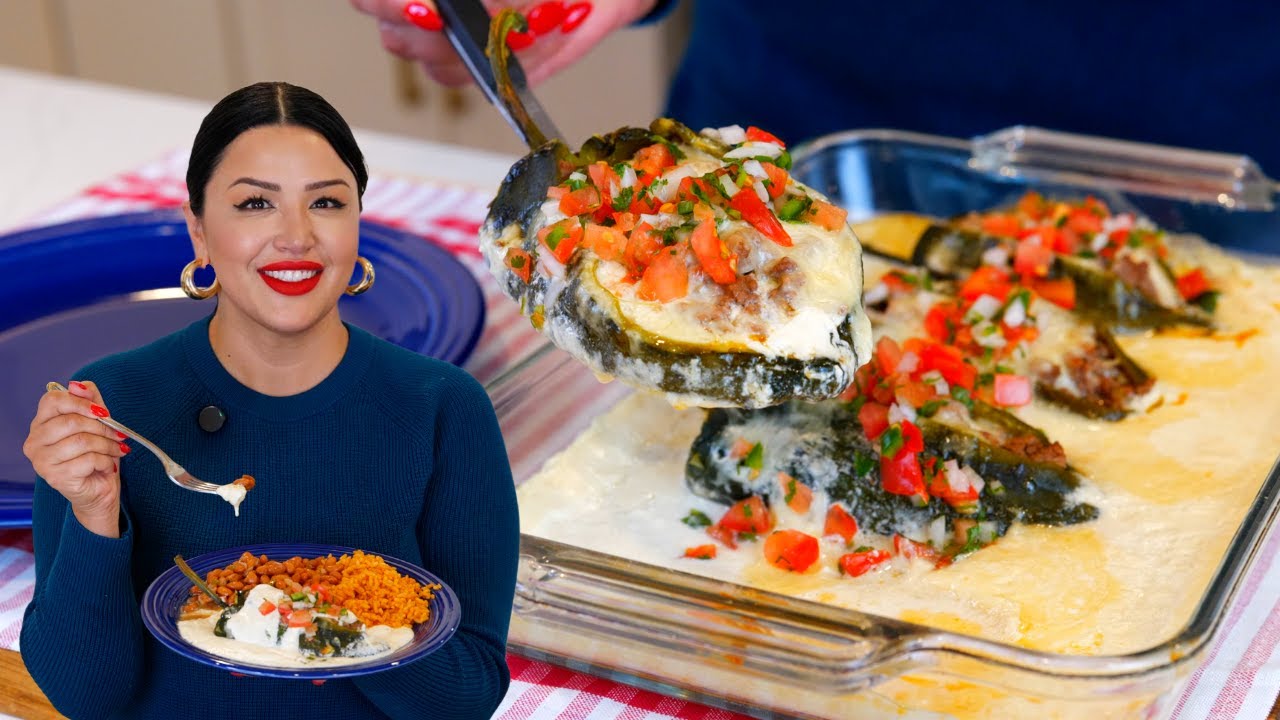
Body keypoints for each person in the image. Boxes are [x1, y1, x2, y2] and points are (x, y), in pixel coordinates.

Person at [20, 81, 519, 720]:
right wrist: (94, 511)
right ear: (199, 231)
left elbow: (468, 693)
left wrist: (326, 614)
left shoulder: (442, 407)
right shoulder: (111, 406)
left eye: (327, 202)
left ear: (358, 224)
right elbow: (86, 697)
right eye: (256, 202)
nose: (296, 236)